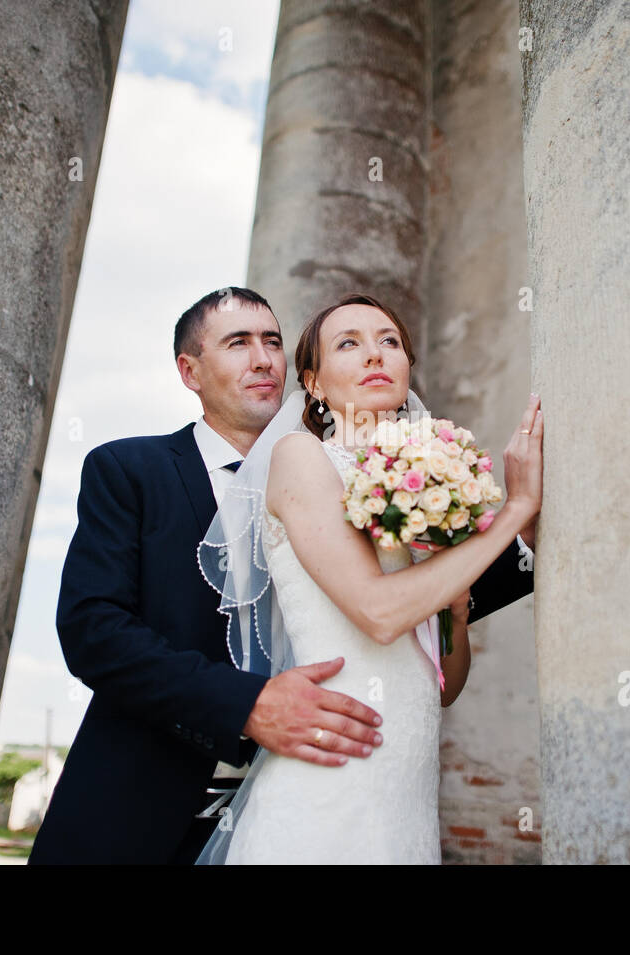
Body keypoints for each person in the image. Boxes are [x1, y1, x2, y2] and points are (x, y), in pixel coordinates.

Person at [29, 288, 386, 864]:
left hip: (298, 812)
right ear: (189, 371)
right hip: (136, 811)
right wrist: (246, 704)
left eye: (273, 341)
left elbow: (395, 600)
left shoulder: (348, 481)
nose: (264, 359)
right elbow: (94, 632)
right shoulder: (127, 470)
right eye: (238, 342)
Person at [196, 292, 542, 864]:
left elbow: (444, 688)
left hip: (406, 790)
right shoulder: (300, 457)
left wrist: (455, 611)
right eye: (348, 344)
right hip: (329, 772)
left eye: (390, 342)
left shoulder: (426, 487)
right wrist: (517, 507)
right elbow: (379, 615)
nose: (375, 355)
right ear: (312, 382)